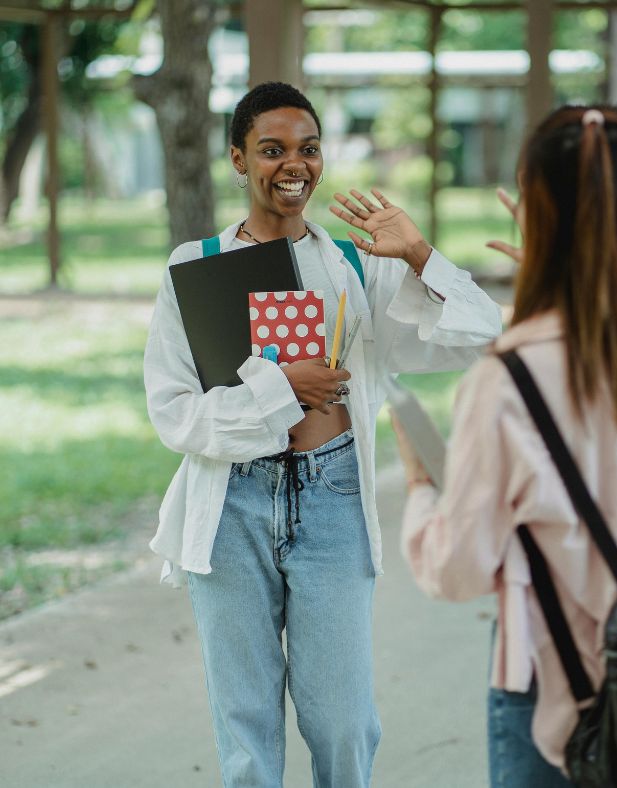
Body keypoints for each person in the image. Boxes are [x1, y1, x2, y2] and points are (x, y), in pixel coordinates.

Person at [143, 81, 502, 788]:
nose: (293, 164)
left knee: (343, 722)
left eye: (308, 149)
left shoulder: (356, 264)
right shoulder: (195, 266)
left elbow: (480, 336)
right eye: (271, 149)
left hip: (332, 497)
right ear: (238, 159)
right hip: (231, 504)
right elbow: (175, 414)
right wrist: (282, 390)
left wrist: (420, 255)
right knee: (245, 727)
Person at [394, 104, 617, 787]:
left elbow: (457, 570)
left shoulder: (507, 379)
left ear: (534, 213)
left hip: (544, 686)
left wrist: (420, 486)